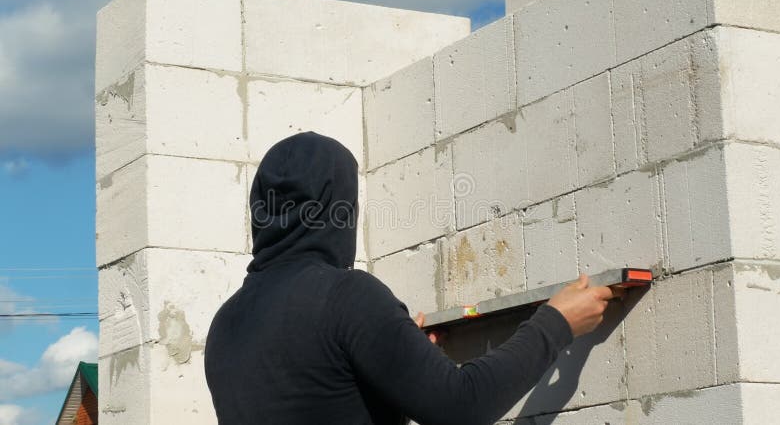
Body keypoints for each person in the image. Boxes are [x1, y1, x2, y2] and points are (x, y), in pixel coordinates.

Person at [204, 132, 619, 425]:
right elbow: (462, 405)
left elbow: (323, 401)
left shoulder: (225, 325)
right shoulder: (345, 297)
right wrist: (557, 323)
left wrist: (397, 367)